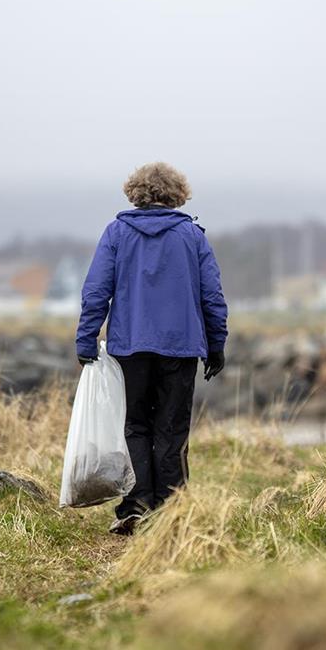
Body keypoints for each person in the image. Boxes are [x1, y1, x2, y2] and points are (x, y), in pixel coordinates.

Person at [76, 162, 228, 535]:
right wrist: (216, 344)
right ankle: (173, 510)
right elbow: (212, 296)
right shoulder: (193, 237)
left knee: (135, 425)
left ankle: (136, 506)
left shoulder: (116, 233)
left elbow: (97, 290)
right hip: (181, 348)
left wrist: (86, 338)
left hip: (129, 347)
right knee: (172, 429)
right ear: (177, 193)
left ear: (135, 192)